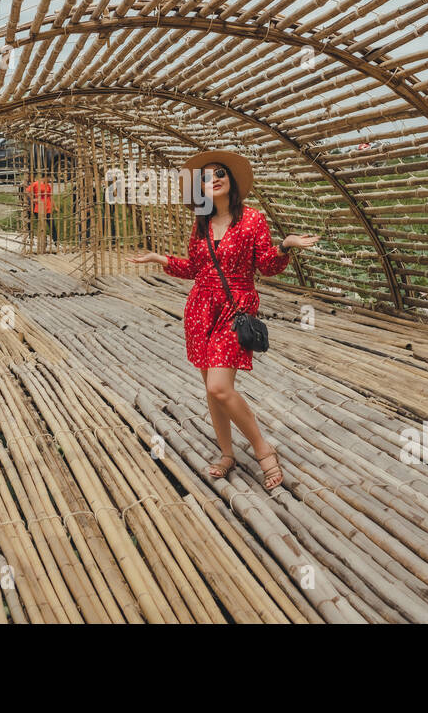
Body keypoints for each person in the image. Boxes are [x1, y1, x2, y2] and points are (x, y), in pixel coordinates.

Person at [128, 150, 319, 490]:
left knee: (220, 386)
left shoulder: (252, 220)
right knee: (212, 390)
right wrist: (160, 258)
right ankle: (227, 453)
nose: (212, 179)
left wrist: (286, 246)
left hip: (236, 307)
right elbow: (194, 268)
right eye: (205, 176)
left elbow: (266, 266)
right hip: (200, 308)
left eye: (220, 174)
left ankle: (263, 450)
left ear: (231, 182)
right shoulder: (201, 223)